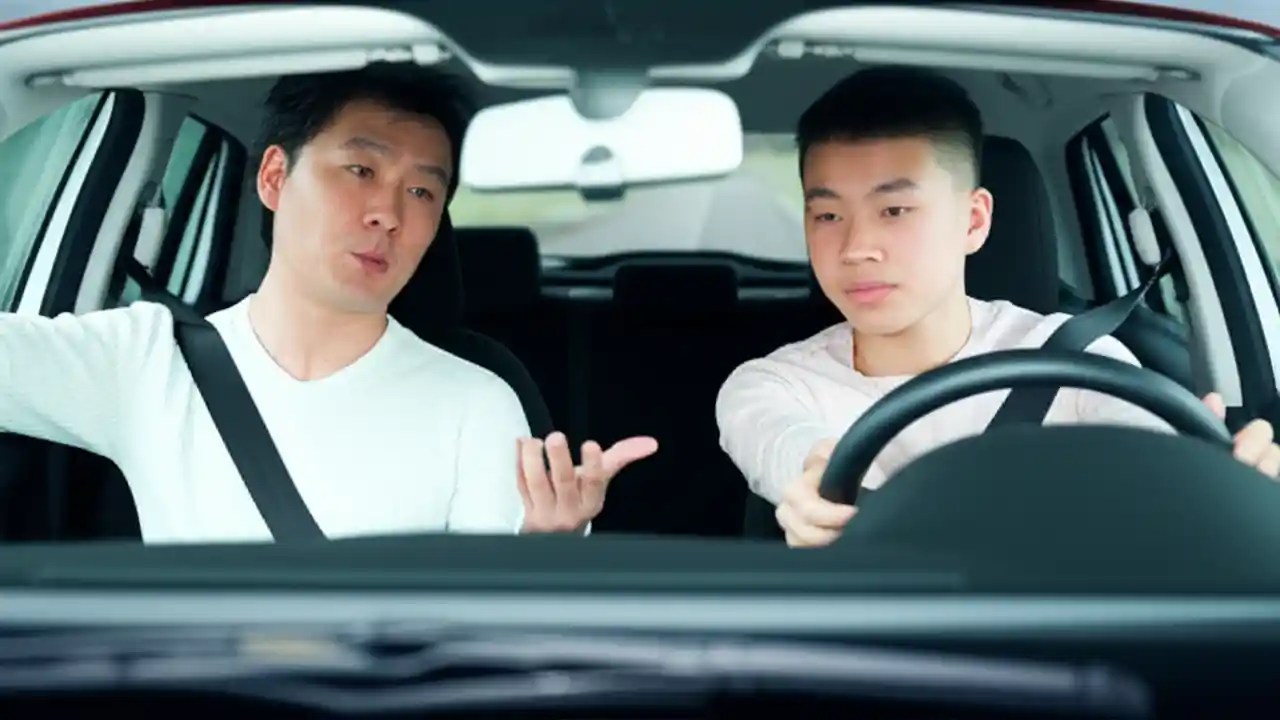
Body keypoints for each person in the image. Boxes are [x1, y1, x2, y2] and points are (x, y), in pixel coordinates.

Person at [0, 63, 655, 543]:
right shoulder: (145, 358)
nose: (389, 215)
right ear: (275, 178)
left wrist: (549, 551)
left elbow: (491, 640)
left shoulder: (476, 401)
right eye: (362, 170)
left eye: (423, 192)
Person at [715, 65, 1280, 548]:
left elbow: (1155, 467)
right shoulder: (772, 383)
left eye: (895, 211)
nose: (857, 247)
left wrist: (1225, 485)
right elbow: (786, 450)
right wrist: (812, 489)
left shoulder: (1081, 361)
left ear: (974, 221)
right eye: (828, 215)